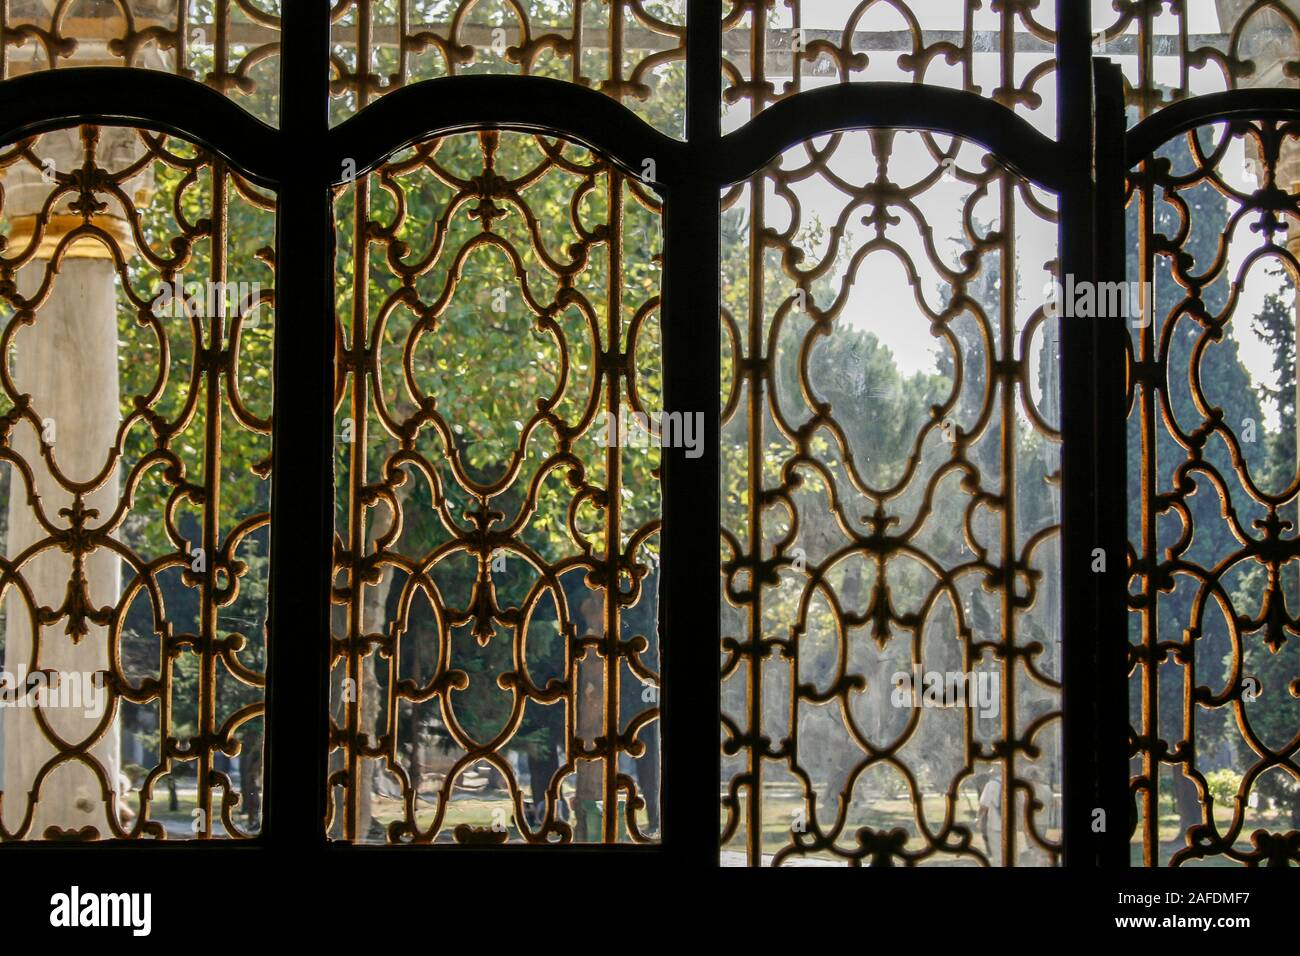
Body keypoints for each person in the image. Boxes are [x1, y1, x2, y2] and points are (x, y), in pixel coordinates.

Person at [976, 768, 1002, 863]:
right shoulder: (1014, 782)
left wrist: (979, 818)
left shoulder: (991, 785)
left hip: (995, 823)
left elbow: (983, 805)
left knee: (997, 854)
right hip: (1012, 824)